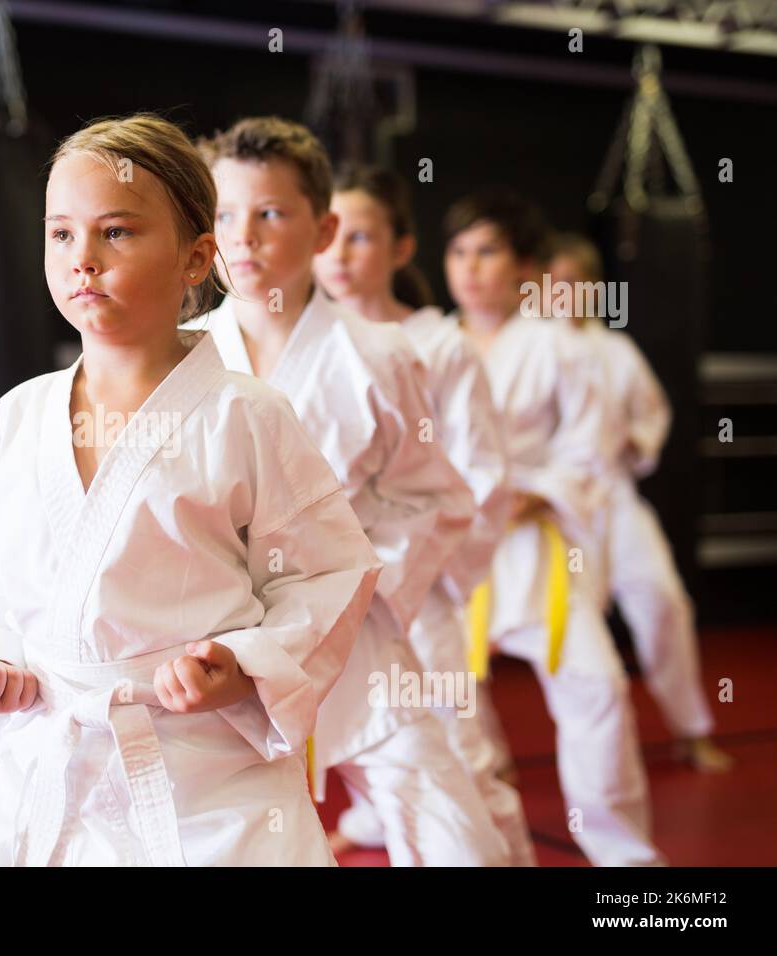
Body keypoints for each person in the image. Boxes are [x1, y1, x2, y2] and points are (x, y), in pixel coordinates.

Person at [0, 113, 383, 866]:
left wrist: (242, 663)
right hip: (47, 746)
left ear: (195, 257)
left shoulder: (246, 414)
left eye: (116, 232)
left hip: (203, 770)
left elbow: (329, 572)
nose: (83, 260)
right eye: (61, 233)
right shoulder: (19, 415)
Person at [196, 118, 511, 866]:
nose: (245, 238)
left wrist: (362, 583)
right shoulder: (183, 358)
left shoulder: (380, 355)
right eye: (225, 215)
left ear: (323, 227)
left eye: (271, 213)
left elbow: (437, 500)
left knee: (459, 839)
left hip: (356, 635)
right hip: (222, 649)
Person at [312, 165, 534, 865]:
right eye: (331, 237)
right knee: (357, 737)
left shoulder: (440, 346)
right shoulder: (300, 342)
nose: (341, 255)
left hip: (414, 587)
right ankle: (378, 821)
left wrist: (424, 583)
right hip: (319, 589)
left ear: (402, 248)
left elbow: (483, 480)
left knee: (458, 754)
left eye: (363, 237)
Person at [445, 188, 664, 865]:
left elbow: (592, 450)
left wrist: (530, 497)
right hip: (452, 549)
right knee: (437, 696)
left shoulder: (560, 347)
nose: (470, 268)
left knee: (595, 686)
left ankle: (622, 849)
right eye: (458, 252)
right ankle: (449, 822)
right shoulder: (424, 342)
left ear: (527, 269)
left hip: (538, 548)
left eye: (487, 251)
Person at [548, 233, 730, 773]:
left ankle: (691, 728)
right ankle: (564, 759)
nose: (566, 294)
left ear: (594, 288)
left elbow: (653, 412)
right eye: (556, 284)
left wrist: (639, 441)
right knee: (566, 629)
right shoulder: (526, 347)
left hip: (617, 497)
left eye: (577, 284)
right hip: (555, 508)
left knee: (663, 601)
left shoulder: (617, 351)